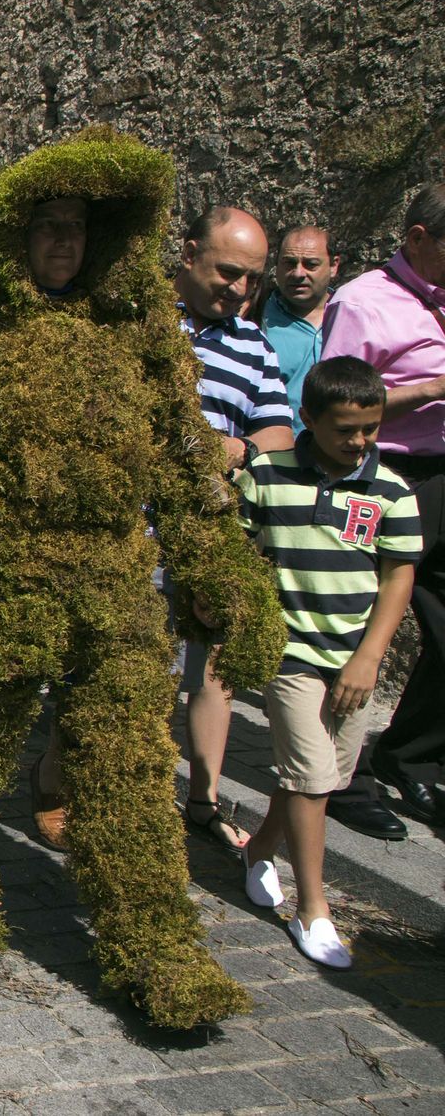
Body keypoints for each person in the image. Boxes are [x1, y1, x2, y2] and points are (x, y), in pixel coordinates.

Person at [0, 132, 285, 1029]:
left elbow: (182, 462)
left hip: (112, 590)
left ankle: (157, 944)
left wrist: (222, 565)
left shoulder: (138, 330)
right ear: (14, 234)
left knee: (125, 774)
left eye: (78, 229)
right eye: (47, 227)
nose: (63, 245)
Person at [239, 357, 418, 969]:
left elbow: (399, 574)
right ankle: (312, 909)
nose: (359, 441)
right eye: (345, 429)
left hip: (352, 661)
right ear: (307, 419)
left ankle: (258, 847)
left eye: (370, 427)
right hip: (287, 651)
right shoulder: (268, 474)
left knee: (319, 778)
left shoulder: (390, 489)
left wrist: (369, 656)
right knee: (312, 778)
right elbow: (239, 549)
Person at [320, 182, 445, 838]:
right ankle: (339, 777)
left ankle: (410, 755)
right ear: (419, 239)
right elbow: (335, 402)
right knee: (357, 622)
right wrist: (430, 388)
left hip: (443, 473)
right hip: (383, 471)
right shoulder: (363, 301)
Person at [176, 208, 295, 852]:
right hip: (129, 527)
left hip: (212, 529)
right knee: (111, 662)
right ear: (189, 251)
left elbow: (278, 434)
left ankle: (203, 796)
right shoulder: (140, 323)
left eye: (252, 279)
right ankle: (67, 781)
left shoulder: (252, 345)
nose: (239, 290)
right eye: (228, 272)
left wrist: (234, 448)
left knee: (212, 670)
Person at [261, 226, 340, 427]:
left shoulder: (350, 315)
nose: (298, 273)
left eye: (310, 265)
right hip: (275, 449)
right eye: (289, 263)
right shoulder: (256, 318)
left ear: (334, 266)